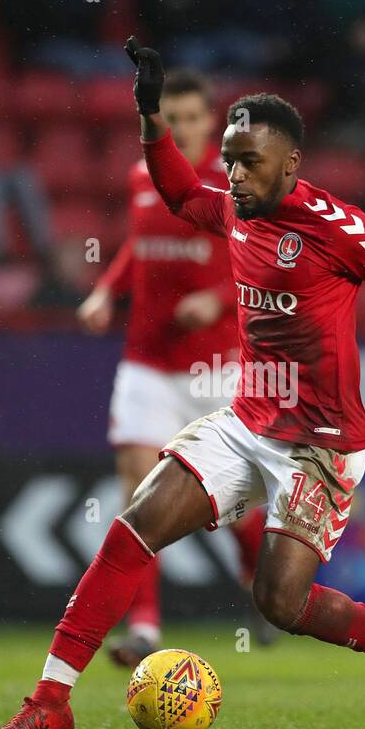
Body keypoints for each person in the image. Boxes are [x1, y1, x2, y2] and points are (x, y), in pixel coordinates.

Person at [0, 37, 365, 729]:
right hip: (246, 420)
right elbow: (181, 189)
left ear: (292, 164)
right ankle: (50, 702)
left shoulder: (338, 229)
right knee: (132, 530)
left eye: (251, 163)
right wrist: (151, 119)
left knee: (279, 602)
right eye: (231, 160)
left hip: (321, 444)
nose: (236, 176)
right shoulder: (230, 207)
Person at [76, 68, 266, 666]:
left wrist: (217, 297)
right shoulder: (143, 176)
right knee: (139, 491)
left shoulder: (231, 184)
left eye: (190, 119)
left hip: (215, 367)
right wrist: (107, 288)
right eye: (170, 119)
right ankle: (146, 630)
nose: (180, 129)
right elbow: (140, 245)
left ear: (211, 122)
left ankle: (258, 580)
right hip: (147, 362)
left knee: (232, 505)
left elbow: (262, 262)